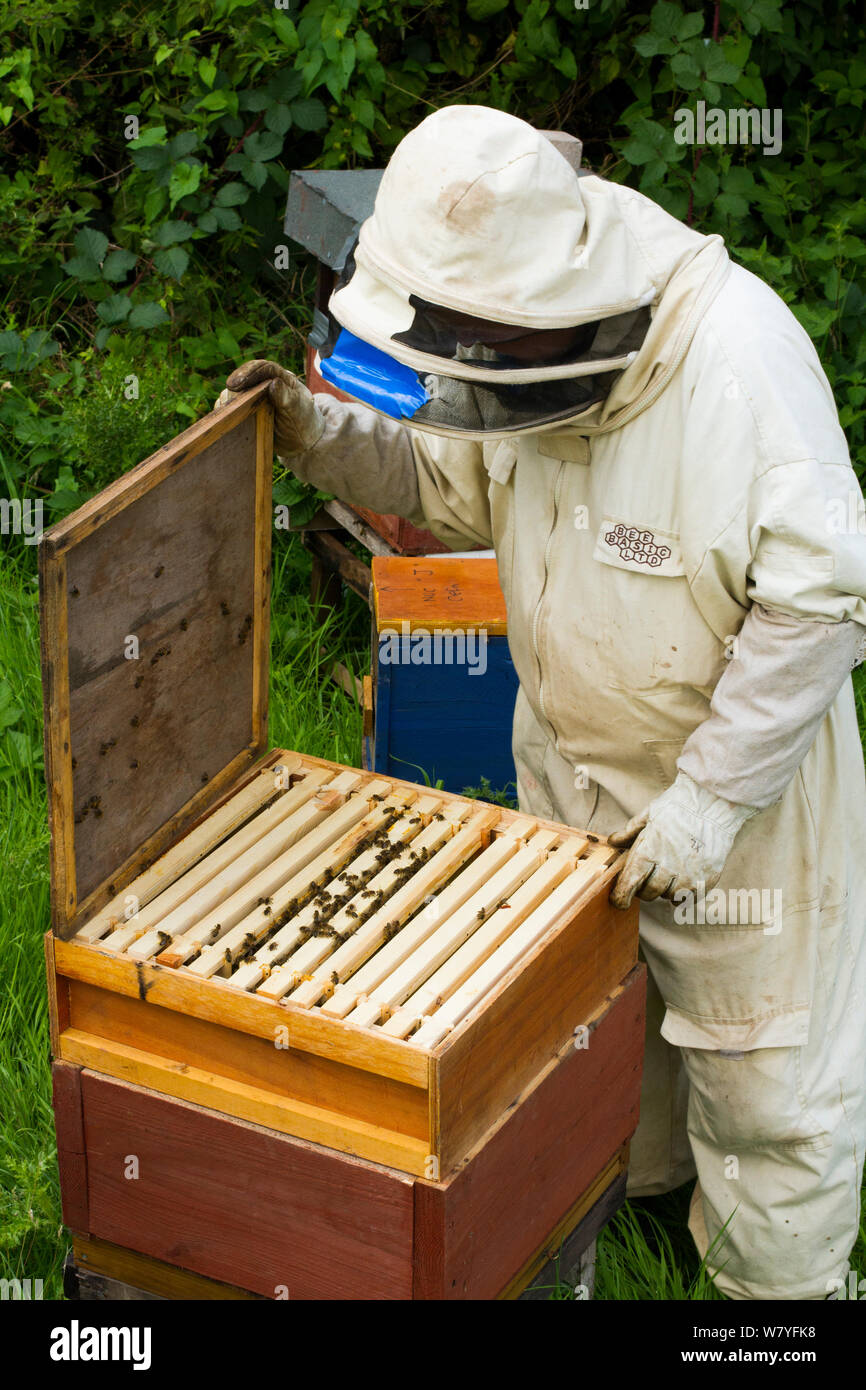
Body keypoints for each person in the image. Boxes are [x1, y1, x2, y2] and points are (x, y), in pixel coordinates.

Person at [217, 104, 866, 1300]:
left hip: (739, 811)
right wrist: (316, 433)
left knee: (762, 1085)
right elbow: (439, 477)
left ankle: (776, 1308)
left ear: (539, 322)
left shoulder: (738, 364)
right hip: (569, 777)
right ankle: (645, 1216)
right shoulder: (510, 342)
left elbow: (820, 606)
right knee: (605, 1040)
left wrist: (706, 807)